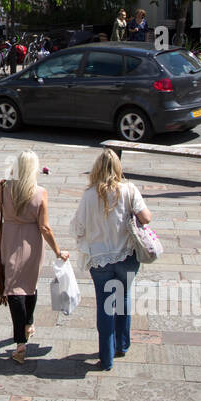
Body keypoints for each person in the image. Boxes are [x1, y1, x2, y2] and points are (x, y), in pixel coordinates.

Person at [0, 150, 69, 364]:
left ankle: (21, 343)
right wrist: (58, 251)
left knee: (14, 290)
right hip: (33, 243)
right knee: (29, 285)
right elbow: (45, 227)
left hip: (10, 241)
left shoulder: (4, 186)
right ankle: (29, 324)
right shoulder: (41, 192)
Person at [69, 149, 152, 370]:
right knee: (123, 297)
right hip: (126, 256)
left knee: (105, 306)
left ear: (96, 169)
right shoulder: (129, 190)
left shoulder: (88, 195)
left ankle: (106, 357)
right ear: (118, 168)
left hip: (99, 259)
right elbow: (146, 217)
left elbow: (77, 227)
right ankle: (122, 344)